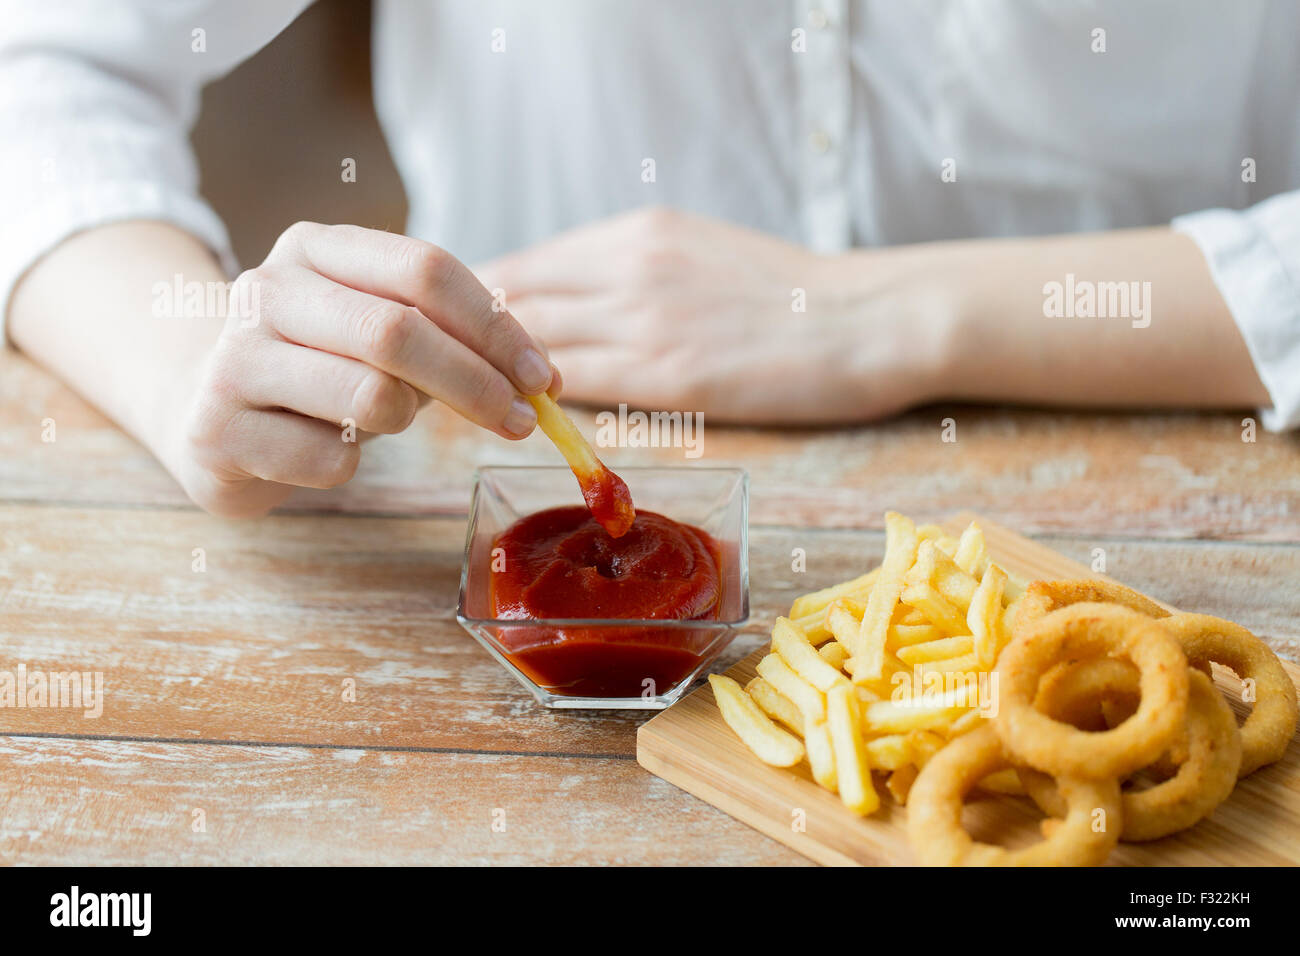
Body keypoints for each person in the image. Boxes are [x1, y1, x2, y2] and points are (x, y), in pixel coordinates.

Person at [2, 1, 1296, 518]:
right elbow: (46, 64)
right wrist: (188, 374)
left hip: (1194, 492)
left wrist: (880, 316)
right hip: (500, 496)